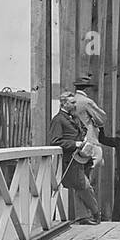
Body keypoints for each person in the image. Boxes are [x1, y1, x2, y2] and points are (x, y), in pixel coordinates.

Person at [49, 86, 102, 224]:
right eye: (72, 103)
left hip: (81, 158)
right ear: (64, 103)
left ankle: (84, 217)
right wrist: (75, 144)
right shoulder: (58, 120)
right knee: (84, 186)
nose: (75, 104)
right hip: (70, 160)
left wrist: (84, 139)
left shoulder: (74, 117)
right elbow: (55, 141)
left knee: (81, 187)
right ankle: (95, 213)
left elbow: (83, 130)